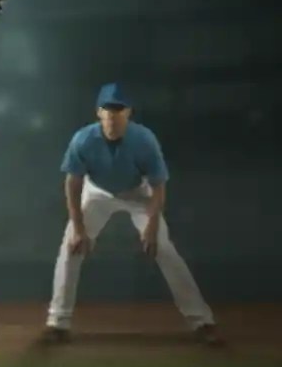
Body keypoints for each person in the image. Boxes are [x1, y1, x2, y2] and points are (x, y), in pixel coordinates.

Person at [43, 82, 222, 346]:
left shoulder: (144, 139)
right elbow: (73, 184)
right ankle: (57, 322)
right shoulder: (83, 139)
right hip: (97, 192)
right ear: (98, 112)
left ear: (128, 113)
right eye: (108, 109)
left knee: (164, 248)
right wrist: (78, 227)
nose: (113, 115)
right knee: (71, 247)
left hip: (137, 192)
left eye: (118, 109)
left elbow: (158, 186)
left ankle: (202, 321)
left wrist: (152, 226)